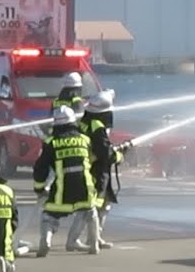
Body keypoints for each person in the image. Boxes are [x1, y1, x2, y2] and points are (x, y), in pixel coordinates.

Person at [66, 90, 130, 250]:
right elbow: (104, 153)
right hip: (96, 170)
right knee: (90, 205)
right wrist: (119, 155)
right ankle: (74, 239)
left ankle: (95, 237)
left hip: (89, 167)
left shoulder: (85, 122)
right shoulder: (97, 126)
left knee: (104, 204)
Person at [33, 104, 99, 256]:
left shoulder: (51, 142)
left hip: (63, 189)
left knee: (49, 215)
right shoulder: (85, 139)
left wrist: (39, 188)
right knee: (90, 212)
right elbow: (92, 160)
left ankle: (47, 239)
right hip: (85, 186)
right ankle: (94, 244)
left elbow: (41, 167)